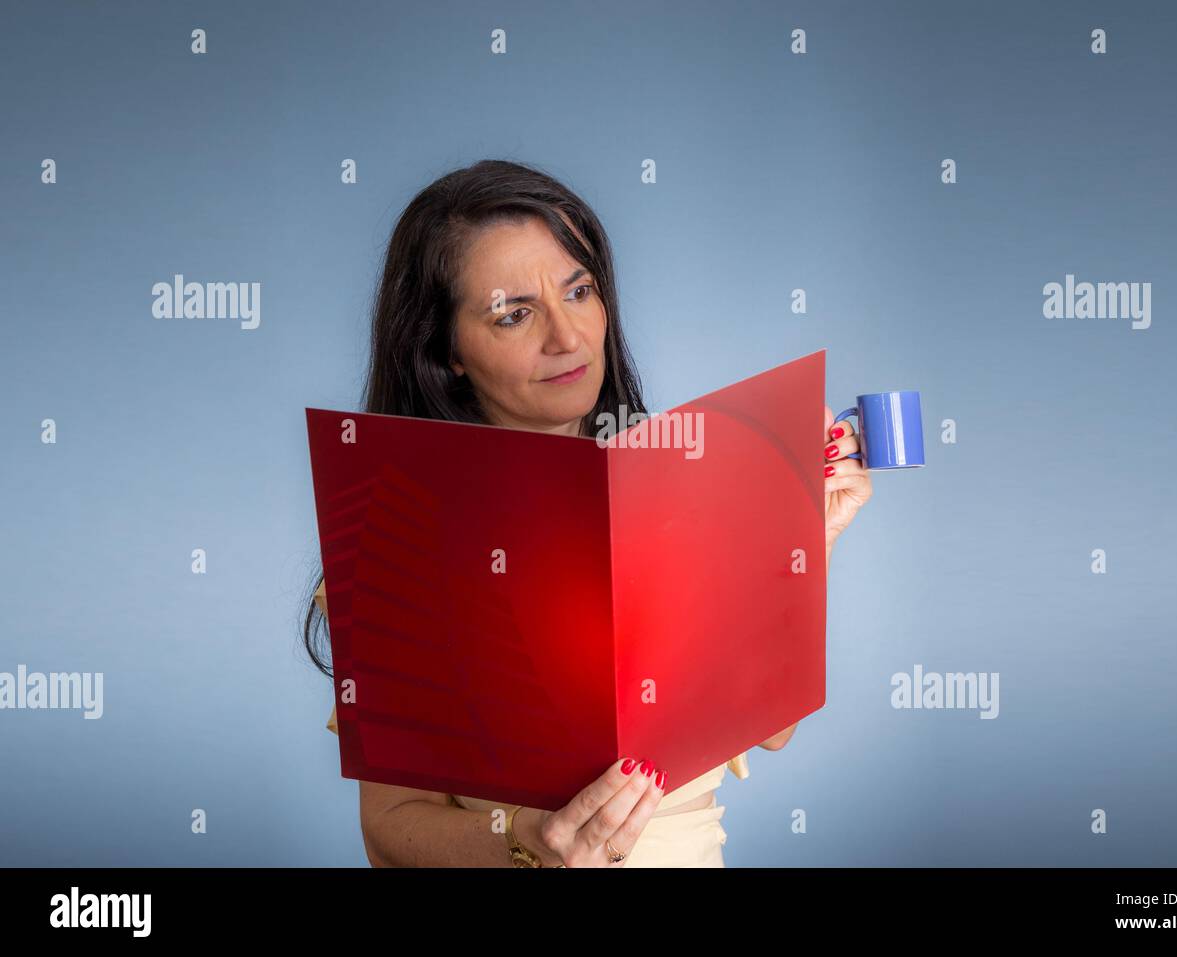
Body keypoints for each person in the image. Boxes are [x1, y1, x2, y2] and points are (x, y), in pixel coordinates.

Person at [301, 159, 872, 867]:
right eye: (513, 313)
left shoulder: (683, 488)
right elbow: (387, 824)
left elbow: (772, 728)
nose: (568, 337)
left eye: (579, 290)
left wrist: (807, 544)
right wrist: (523, 841)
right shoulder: (400, 535)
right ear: (446, 351)